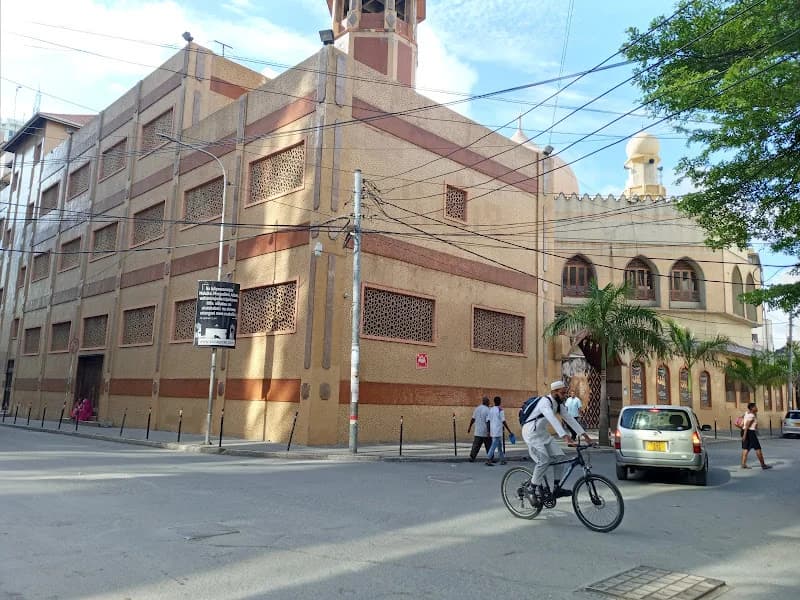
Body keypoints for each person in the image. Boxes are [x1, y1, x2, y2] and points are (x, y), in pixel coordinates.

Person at [522, 380, 592, 501]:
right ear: (554, 392)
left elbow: (570, 419)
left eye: (565, 393)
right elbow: (552, 419)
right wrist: (565, 437)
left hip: (542, 434)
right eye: (562, 393)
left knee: (560, 456)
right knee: (543, 461)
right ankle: (531, 489)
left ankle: (556, 488)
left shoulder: (559, 404)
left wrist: (586, 436)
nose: (564, 395)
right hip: (531, 434)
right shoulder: (545, 402)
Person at [741, 402, 772, 470]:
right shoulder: (752, 416)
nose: (757, 408)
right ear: (752, 408)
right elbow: (747, 425)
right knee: (758, 448)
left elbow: (742, 420)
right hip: (750, 432)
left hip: (744, 431)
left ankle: (743, 464)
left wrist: (743, 433)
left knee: (746, 448)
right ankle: (763, 465)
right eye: (755, 407)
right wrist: (745, 435)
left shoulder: (746, 413)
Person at [486, 396, 513, 466]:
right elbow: (503, 421)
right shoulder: (500, 410)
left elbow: (488, 421)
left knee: (499, 446)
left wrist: (488, 431)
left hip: (493, 430)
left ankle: (502, 460)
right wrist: (509, 430)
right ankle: (488, 459)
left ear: (494, 402)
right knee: (494, 445)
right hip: (497, 431)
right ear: (500, 402)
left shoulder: (491, 410)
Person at [467, 396, 492, 462]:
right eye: (488, 401)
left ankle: (472, 457)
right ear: (486, 402)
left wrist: (469, 427)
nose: (489, 402)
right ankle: (490, 458)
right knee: (489, 445)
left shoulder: (477, 409)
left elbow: (473, 419)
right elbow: (488, 421)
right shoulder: (487, 410)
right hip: (485, 431)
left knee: (475, 446)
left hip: (477, 431)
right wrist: (489, 431)